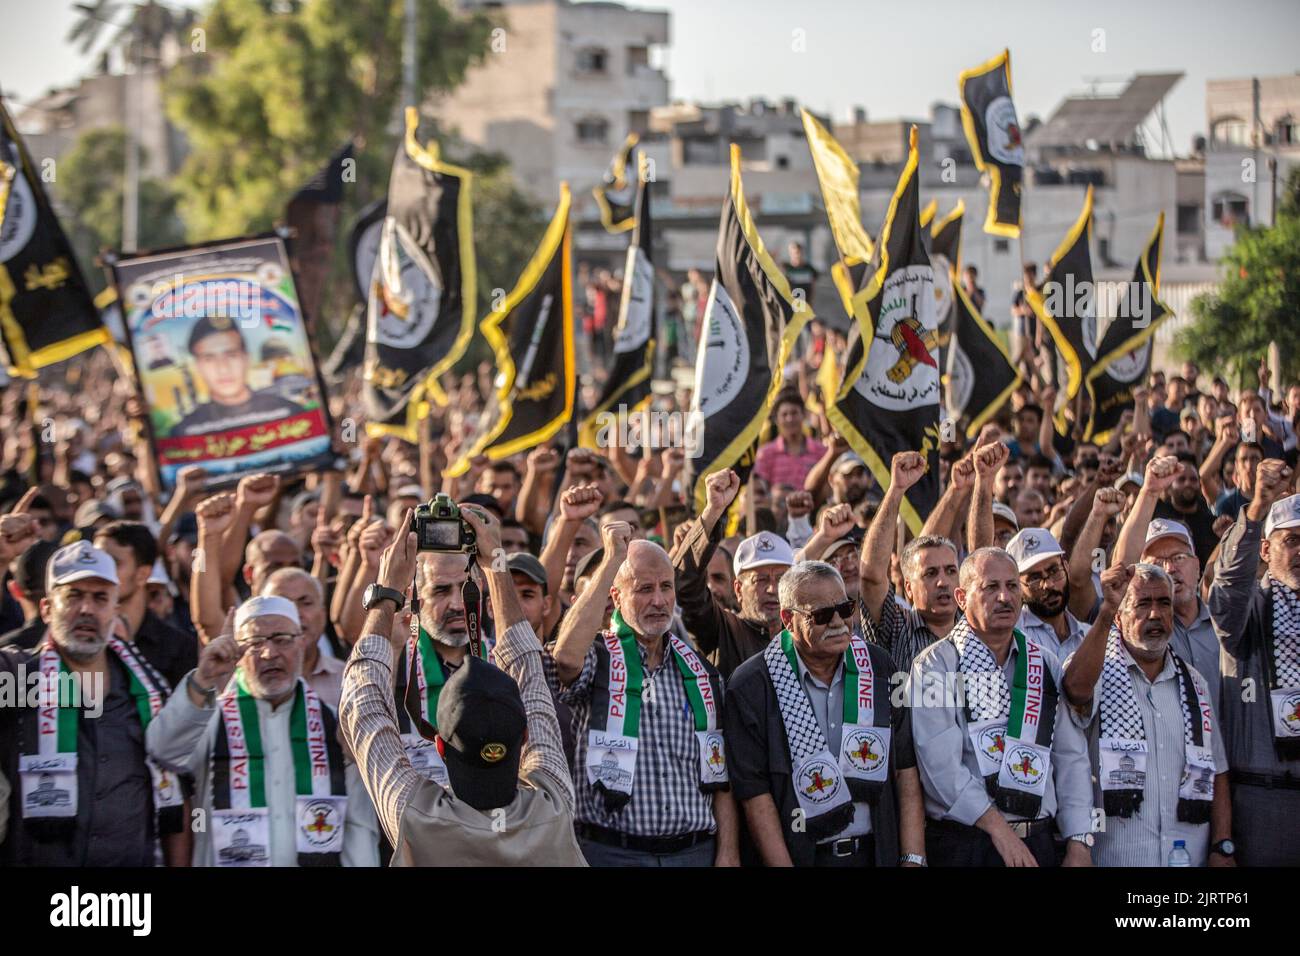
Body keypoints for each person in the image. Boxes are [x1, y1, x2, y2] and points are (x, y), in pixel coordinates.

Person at [339, 504, 586, 865]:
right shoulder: (554, 804)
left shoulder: (418, 817)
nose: (456, 602)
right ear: (525, 739)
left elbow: (362, 704)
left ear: (439, 745)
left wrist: (388, 590)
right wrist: (496, 564)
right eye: (441, 590)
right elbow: (531, 677)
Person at [551, 525, 740, 866]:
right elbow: (564, 658)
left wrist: (727, 851)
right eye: (643, 589)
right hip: (612, 852)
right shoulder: (598, 657)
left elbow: (719, 773)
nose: (658, 600)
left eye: (666, 587)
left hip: (694, 852)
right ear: (616, 598)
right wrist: (611, 559)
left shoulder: (699, 671)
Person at [146, 594, 379, 866]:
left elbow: (358, 825)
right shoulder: (209, 718)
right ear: (237, 653)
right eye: (255, 644)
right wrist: (204, 678)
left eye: (282, 639)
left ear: (302, 643)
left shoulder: (335, 725)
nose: (269, 653)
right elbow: (163, 752)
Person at [724, 560, 926, 866]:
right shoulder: (752, 685)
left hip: (876, 853)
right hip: (802, 856)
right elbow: (756, 796)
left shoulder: (877, 666)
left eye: (845, 609)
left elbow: (906, 770)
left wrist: (912, 859)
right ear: (788, 619)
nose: (837, 623)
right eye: (820, 615)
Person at [905, 548, 1094, 867]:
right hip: (969, 843)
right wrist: (999, 829)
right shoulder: (935, 667)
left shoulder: (1042, 661)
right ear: (962, 598)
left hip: (1039, 840)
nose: (1005, 597)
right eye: (990, 587)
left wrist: (1079, 841)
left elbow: (1070, 756)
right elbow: (940, 767)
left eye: (1012, 586)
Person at [1, 541, 180, 866]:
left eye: (99, 598)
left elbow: (179, 799)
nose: (86, 609)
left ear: (114, 610)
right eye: (73, 596)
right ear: (46, 609)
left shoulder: (148, 689)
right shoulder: (20, 678)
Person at [1062, 563, 1232, 867]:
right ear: (1119, 615)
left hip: (1187, 857)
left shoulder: (1194, 683)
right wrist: (1103, 615)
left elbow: (1217, 770)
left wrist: (1222, 846)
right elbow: (1075, 688)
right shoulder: (1096, 668)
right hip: (1114, 857)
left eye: (1163, 603)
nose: (1155, 615)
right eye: (1142, 604)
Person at [1208, 462, 1300, 865]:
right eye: (1291, 541)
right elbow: (1228, 585)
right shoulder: (1247, 609)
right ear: (1266, 548)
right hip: (1258, 801)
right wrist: (1258, 508)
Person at [673, 469, 794, 679]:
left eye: (781, 579)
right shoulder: (724, 631)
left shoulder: (802, 637)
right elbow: (686, 583)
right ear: (738, 589)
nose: (772, 588)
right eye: (760, 579)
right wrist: (714, 511)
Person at [860, 451, 960, 675]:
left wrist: (961, 488)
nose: (943, 582)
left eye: (951, 571)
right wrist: (896, 490)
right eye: (930, 574)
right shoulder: (895, 628)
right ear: (908, 588)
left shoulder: (976, 626)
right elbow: (872, 575)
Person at [94, 520, 197, 689]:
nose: (100, 571)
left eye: (112, 563)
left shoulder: (178, 649)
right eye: (97, 562)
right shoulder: (81, 636)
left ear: (143, 574)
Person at [172, 316, 305, 438]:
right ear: (198, 367)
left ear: (246, 358)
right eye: (209, 358)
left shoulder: (290, 412)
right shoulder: (184, 432)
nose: (223, 369)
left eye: (231, 355)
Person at [753, 388, 826, 490]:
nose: (790, 419)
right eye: (784, 414)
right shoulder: (765, 454)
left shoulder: (822, 452)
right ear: (776, 420)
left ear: (803, 415)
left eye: (794, 413)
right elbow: (760, 491)